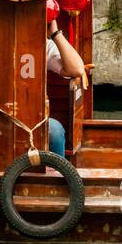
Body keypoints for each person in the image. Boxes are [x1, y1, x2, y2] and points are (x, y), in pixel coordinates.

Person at [46, 14, 87, 159]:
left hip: (33, 116)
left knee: (54, 130)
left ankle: (58, 175)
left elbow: (76, 69)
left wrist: (55, 34)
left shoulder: (43, 45)